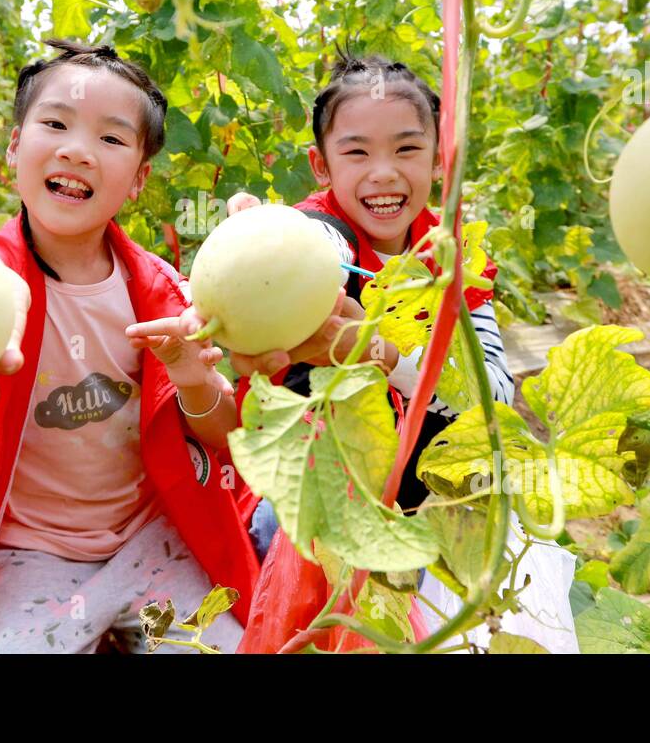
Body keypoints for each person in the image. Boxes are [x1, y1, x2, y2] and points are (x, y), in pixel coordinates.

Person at [0, 39, 257, 654]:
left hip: (151, 541)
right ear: (16, 147)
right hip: (26, 553)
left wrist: (193, 378)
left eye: (112, 138)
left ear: (139, 178)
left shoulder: (160, 293)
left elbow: (223, 437)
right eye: (55, 124)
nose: (78, 150)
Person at [200, 52, 579, 653]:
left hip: (431, 488)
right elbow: (308, 247)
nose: (383, 173)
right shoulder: (317, 238)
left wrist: (383, 354)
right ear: (320, 167)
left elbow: (496, 396)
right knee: (293, 555)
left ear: (439, 159)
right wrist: (257, 240)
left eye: (406, 149)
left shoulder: (457, 260)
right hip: (324, 492)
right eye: (357, 153)